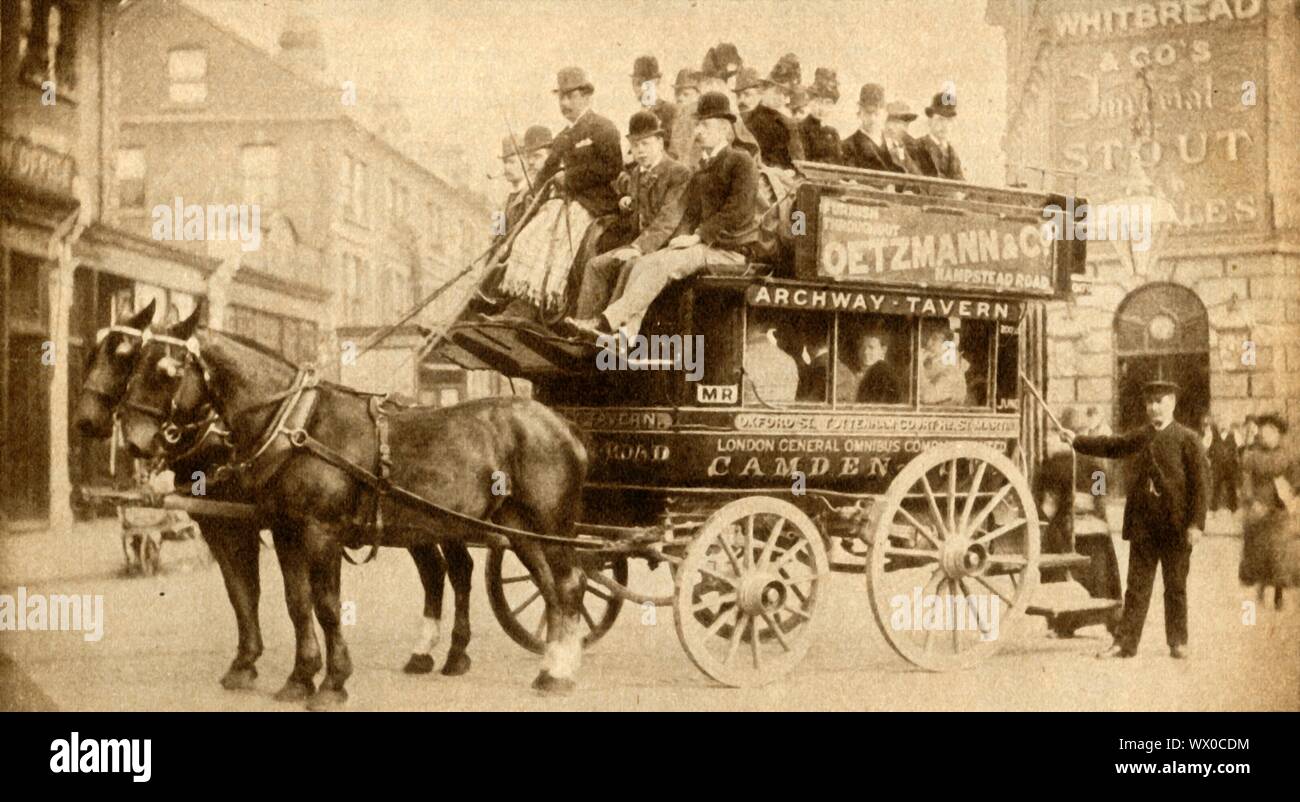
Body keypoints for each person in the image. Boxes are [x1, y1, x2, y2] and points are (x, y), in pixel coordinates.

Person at [563, 92, 758, 342]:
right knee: (644, 262)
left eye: (704, 125)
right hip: (706, 246)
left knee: (662, 265)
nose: (698, 131)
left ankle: (606, 323)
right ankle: (624, 334)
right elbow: (691, 212)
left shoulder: (740, 161)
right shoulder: (703, 167)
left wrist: (697, 237)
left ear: (723, 127)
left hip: (730, 249)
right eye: (697, 124)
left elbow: (737, 210)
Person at [1060, 380, 1208, 659]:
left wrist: (1196, 524)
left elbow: (1201, 487)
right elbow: (1111, 445)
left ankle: (1178, 641)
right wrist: (1077, 440)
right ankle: (1125, 643)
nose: (1154, 408)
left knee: (1175, 586)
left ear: (1172, 404)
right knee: (1137, 588)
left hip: (1176, 528)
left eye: (1160, 401)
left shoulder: (1189, 439)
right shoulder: (1140, 436)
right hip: (1144, 527)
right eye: (1150, 402)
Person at [494, 67, 622, 315]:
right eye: (561, 97)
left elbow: (612, 167)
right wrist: (535, 191)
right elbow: (547, 170)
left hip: (594, 203)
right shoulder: (564, 135)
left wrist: (570, 177)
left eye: (570, 96)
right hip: (565, 201)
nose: (564, 103)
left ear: (586, 95)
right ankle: (523, 301)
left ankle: (545, 304)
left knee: (559, 242)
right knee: (527, 239)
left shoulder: (603, 128)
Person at [570, 110, 691, 319]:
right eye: (635, 145)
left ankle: (609, 328)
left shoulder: (678, 173)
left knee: (629, 266)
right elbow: (638, 209)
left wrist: (637, 248)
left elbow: (666, 222)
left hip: (667, 248)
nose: (640, 151)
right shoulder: (636, 173)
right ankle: (583, 325)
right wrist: (626, 204)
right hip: (640, 243)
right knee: (595, 265)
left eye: (645, 144)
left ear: (660, 142)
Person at [1238, 413, 1299, 610]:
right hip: (1259, 509)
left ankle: (1279, 593)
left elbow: (1296, 479)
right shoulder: (1252, 455)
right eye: (1264, 431)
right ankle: (1260, 589)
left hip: (1281, 510)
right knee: (1259, 552)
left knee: (1280, 553)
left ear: (1278, 434)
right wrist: (1251, 501)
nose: (1267, 435)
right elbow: (1246, 482)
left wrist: (1294, 495)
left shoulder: (1287, 456)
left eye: (1271, 431)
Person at [737, 66, 804, 170]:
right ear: (764, 89)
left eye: (785, 94)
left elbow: (798, 161)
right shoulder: (745, 119)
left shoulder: (788, 125)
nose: (781, 98)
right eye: (777, 92)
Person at [840, 84, 904, 174]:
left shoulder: (894, 145)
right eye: (867, 113)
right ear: (859, 112)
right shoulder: (848, 146)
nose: (872, 119)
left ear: (885, 114)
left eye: (877, 114)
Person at [912, 91, 966, 181]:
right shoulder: (916, 147)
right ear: (929, 121)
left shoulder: (952, 153)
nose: (945, 125)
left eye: (949, 120)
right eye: (940, 119)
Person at [631, 55, 677, 152]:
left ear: (657, 82)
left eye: (645, 83)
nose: (640, 89)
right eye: (636, 83)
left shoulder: (670, 111)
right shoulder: (637, 116)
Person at [800, 68, 843, 164]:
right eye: (818, 101)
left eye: (827, 103)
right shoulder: (799, 129)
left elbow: (840, 164)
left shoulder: (833, 133)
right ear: (810, 101)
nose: (821, 108)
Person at [918, 322, 966, 405]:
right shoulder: (931, 362)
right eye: (928, 338)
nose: (928, 343)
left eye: (934, 339)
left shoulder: (951, 370)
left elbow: (928, 397)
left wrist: (918, 364)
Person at [856, 330, 902, 404]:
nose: (865, 352)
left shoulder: (883, 375)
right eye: (863, 347)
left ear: (883, 350)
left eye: (871, 347)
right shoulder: (868, 373)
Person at [883, 101, 922, 174]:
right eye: (890, 121)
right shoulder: (878, 144)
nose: (891, 127)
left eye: (897, 122)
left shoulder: (911, 147)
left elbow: (918, 175)